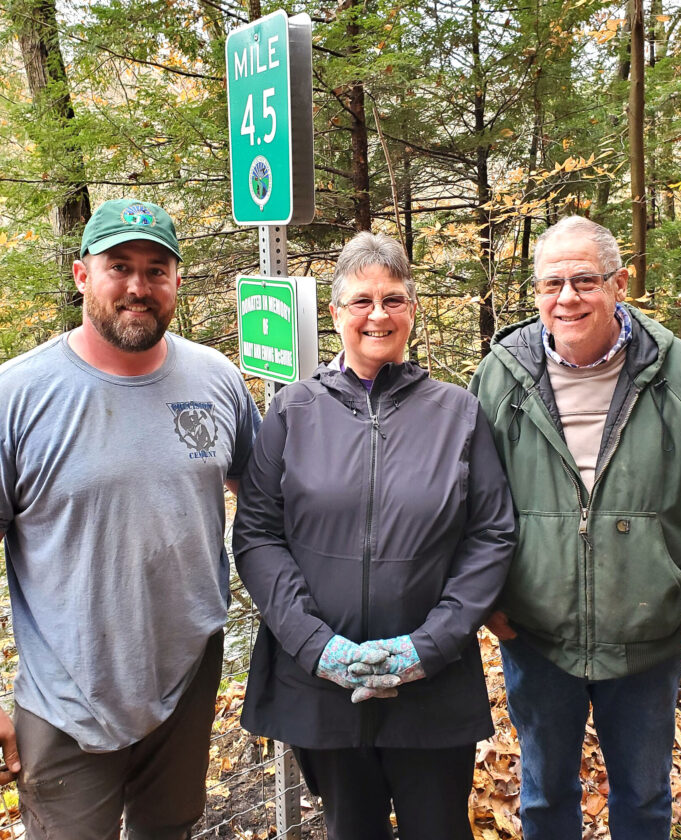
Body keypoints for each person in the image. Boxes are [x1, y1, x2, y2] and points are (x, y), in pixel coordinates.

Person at [0, 198, 261, 840]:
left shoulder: (217, 381)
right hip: (68, 694)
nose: (138, 285)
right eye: (119, 265)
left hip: (186, 674)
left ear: (177, 282)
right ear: (81, 275)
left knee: (171, 831)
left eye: (157, 269)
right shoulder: (13, 399)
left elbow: (264, 503)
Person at [469, 215, 681, 840]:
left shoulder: (677, 373)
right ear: (536, 293)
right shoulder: (501, 377)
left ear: (619, 284)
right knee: (543, 800)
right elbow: (468, 504)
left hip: (649, 637)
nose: (567, 297)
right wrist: (488, 604)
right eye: (552, 283)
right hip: (536, 636)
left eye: (585, 280)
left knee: (645, 799)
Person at [231, 231, 516, 840]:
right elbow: (256, 534)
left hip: (432, 689)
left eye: (394, 299)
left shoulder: (457, 412)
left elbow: (491, 536)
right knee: (349, 829)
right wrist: (317, 647)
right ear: (335, 314)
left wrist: (426, 648)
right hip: (322, 690)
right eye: (361, 300)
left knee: (438, 829)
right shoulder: (292, 410)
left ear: (412, 310)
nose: (378, 314)